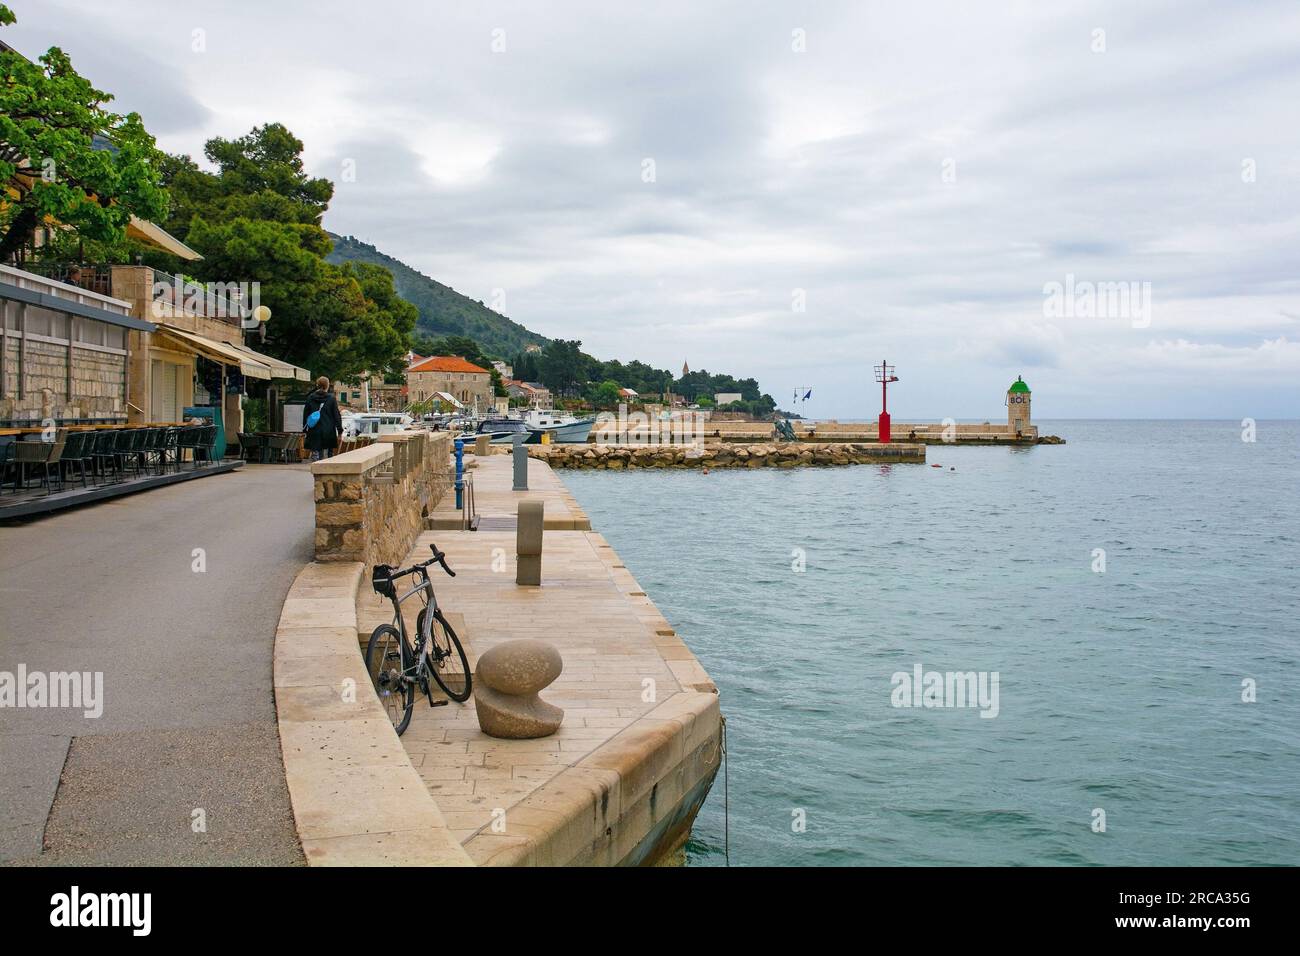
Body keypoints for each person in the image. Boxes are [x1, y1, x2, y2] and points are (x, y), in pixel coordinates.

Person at [303, 376, 343, 461]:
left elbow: (306, 415)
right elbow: (336, 416)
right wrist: (340, 431)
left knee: (316, 453)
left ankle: (316, 459)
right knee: (329, 456)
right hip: (328, 430)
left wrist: (305, 430)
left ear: (317, 385)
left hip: (314, 430)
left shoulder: (310, 398)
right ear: (327, 386)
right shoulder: (331, 399)